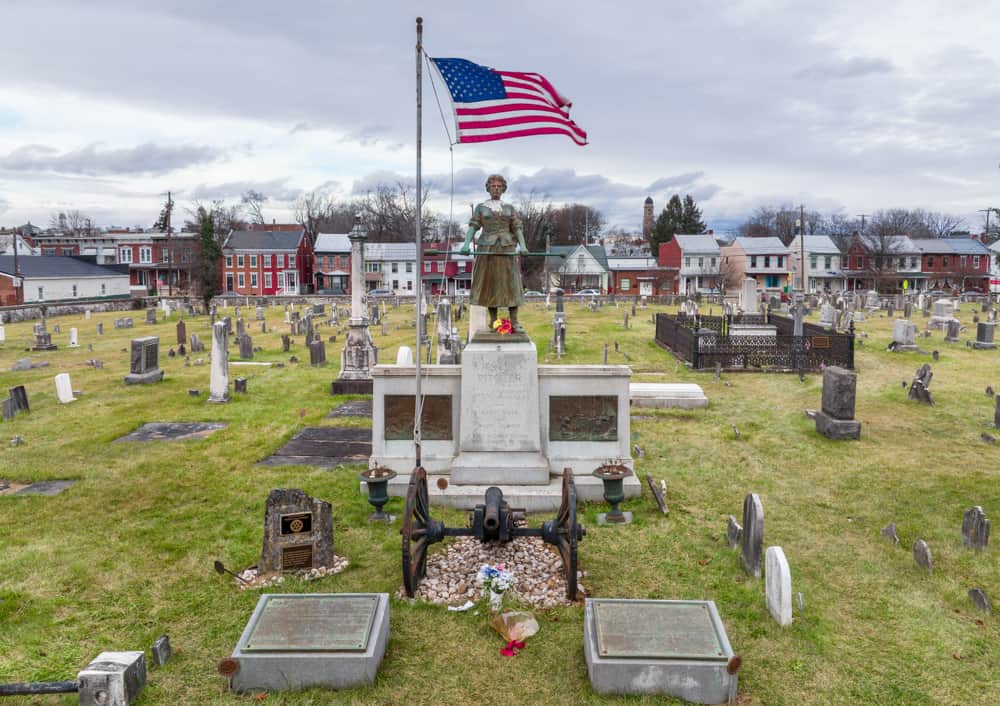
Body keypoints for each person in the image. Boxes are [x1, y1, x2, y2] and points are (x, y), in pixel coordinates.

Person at [460, 174, 528, 333]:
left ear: (503, 189)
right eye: (493, 186)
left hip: (506, 248)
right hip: (487, 249)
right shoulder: (481, 208)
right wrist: (466, 244)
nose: (496, 189)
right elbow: (473, 226)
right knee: (491, 284)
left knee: (511, 284)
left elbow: (517, 227)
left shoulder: (509, 208)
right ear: (488, 188)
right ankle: (494, 320)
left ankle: (515, 320)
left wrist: (523, 246)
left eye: (499, 186)